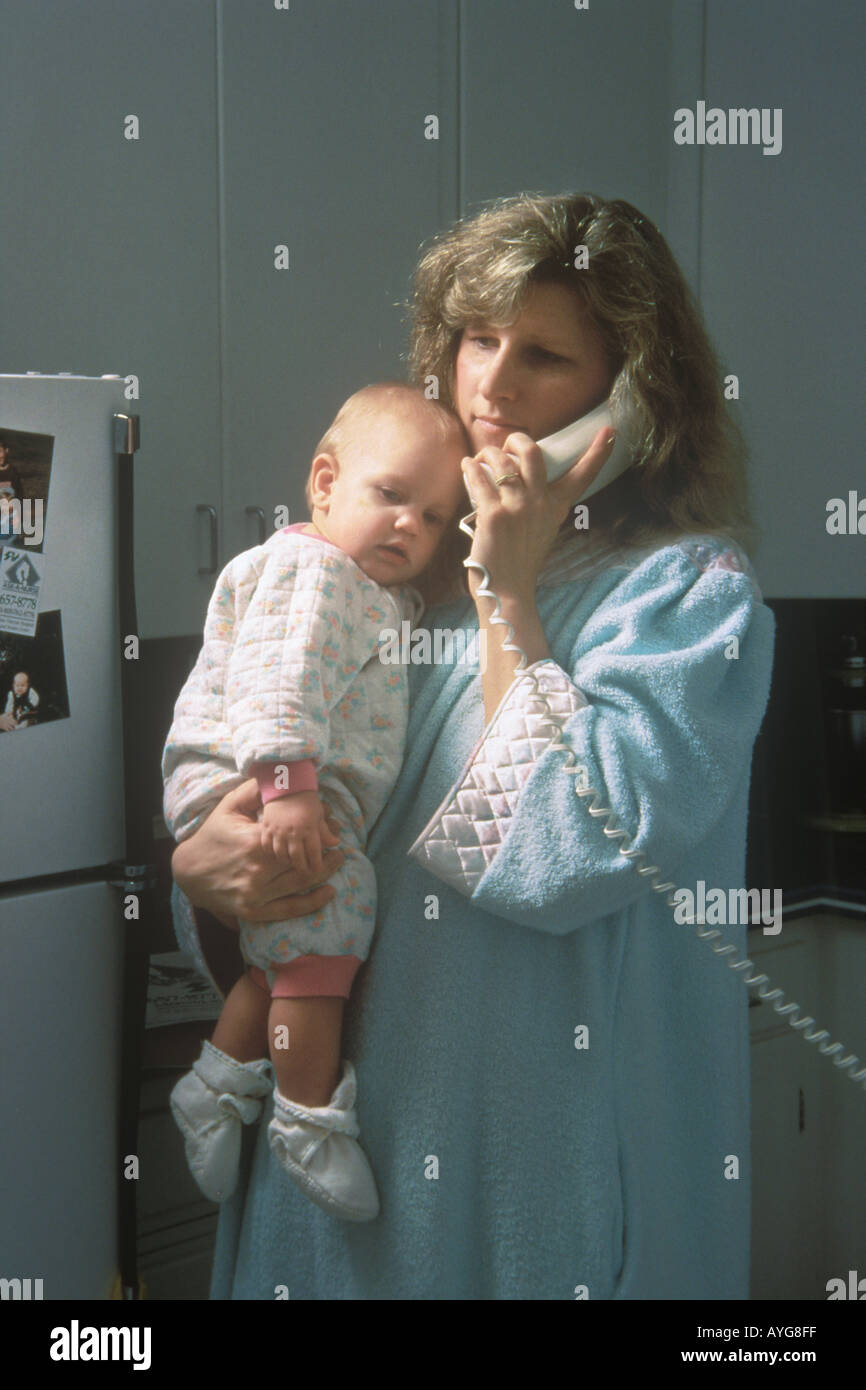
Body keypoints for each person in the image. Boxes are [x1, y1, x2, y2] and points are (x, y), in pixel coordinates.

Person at [169, 192, 776, 1299]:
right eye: (477, 339)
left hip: (519, 1187)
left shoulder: (685, 597)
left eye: (543, 355)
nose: (492, 385)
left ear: (631, 393)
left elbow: (563, 850)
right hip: (328, 1164)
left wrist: (507, 591)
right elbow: (279, 832)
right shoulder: (380, 579)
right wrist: (209, 873)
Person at [162, 383, 468, 1223]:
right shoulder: (315, 571)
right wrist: (289, 788)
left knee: (293, 949)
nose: (410, 525)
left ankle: (217, 1084)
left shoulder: (362, 587)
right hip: (260, 781)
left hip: (278, 783)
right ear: (325, 484)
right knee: (329, 910)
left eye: (434, 516)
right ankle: (307, 1117)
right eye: (391, 494)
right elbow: (279, 681)